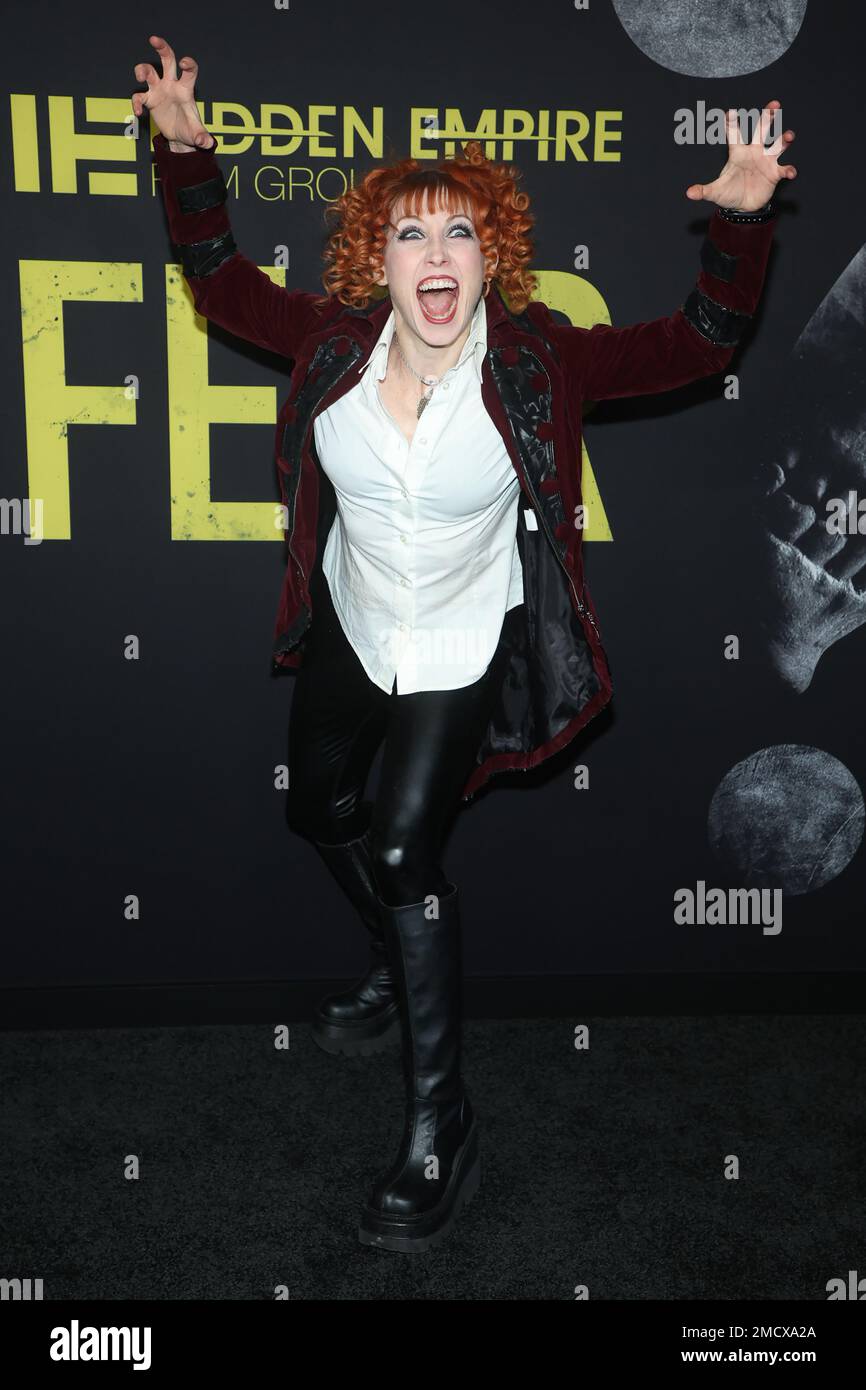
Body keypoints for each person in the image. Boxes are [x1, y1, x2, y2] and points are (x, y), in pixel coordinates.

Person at [133, 34, 796, 1254]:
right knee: (316, 808)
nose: (433, 258)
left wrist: (740, 228)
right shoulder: (328, 347)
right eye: (407, 236)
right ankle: (392, 957)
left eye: (456, 235)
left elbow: (700, 342)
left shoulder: (547, 359)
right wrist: (183, 146)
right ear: (373, 260)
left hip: (455, 638)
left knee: (400, 844)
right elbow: (215, 268)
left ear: (489, 253)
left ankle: (441, 1122)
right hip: (348, 616)